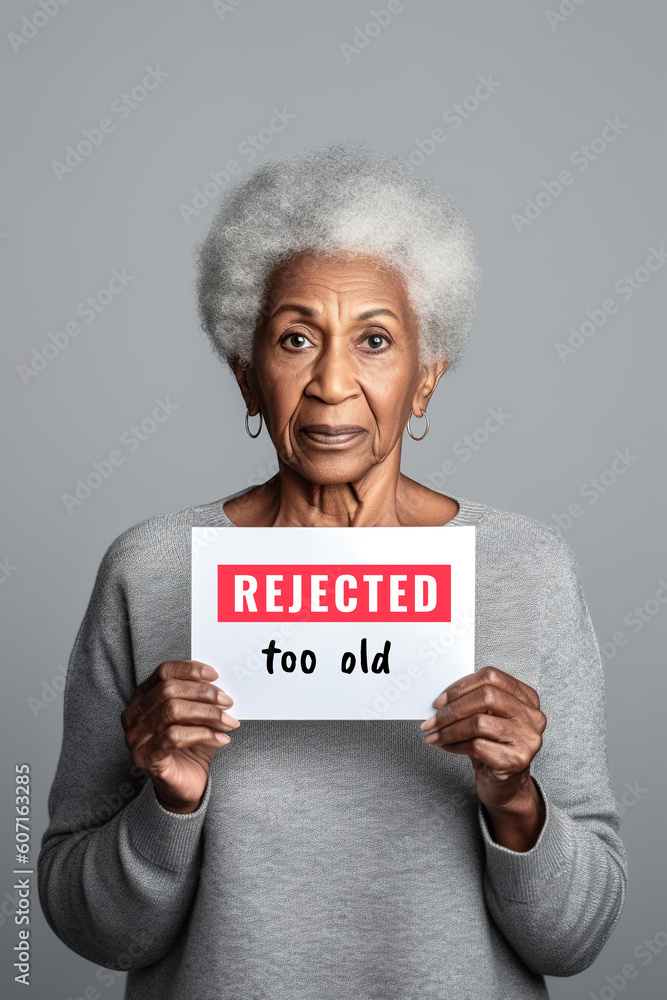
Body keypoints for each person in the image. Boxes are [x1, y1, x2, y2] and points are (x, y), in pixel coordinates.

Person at [38, 143, 627, 1000]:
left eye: (375, 341)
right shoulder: (152, 570)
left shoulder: (526, 569)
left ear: (424, 380)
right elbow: (87, 926)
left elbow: (577, 939)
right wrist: (168, 803)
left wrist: (514, 799)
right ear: (247, 377)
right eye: (296, 339)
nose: (331, 381)